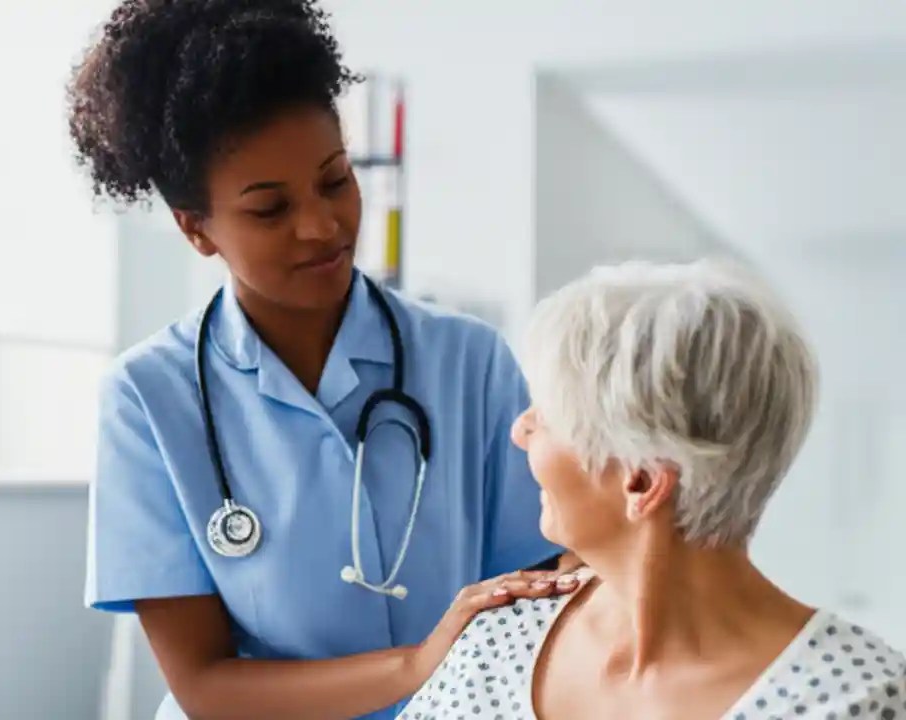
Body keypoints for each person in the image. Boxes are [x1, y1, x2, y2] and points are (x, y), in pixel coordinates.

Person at [69, 1, 581, 718]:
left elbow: (543, 582)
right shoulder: (147, 397)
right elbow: (206, 686)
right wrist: (416, 664)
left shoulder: (471, 361)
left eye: (335, 180)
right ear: (196, 229)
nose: (322, 226)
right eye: (269, 209)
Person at [398, 259, 906, 719]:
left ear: (639, 482)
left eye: (546, 415)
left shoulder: (854, 700)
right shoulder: (497, 639)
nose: (520, 430)